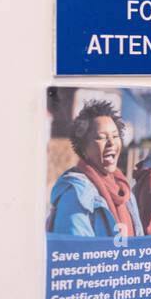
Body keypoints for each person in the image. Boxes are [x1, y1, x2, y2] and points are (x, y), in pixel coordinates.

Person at [47, 99, 142, 238]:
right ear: (84, 148)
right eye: (101, 137)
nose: (111, 143)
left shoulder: (125, 192)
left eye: (115, 136)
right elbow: (77, 254)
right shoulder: (75, 196)